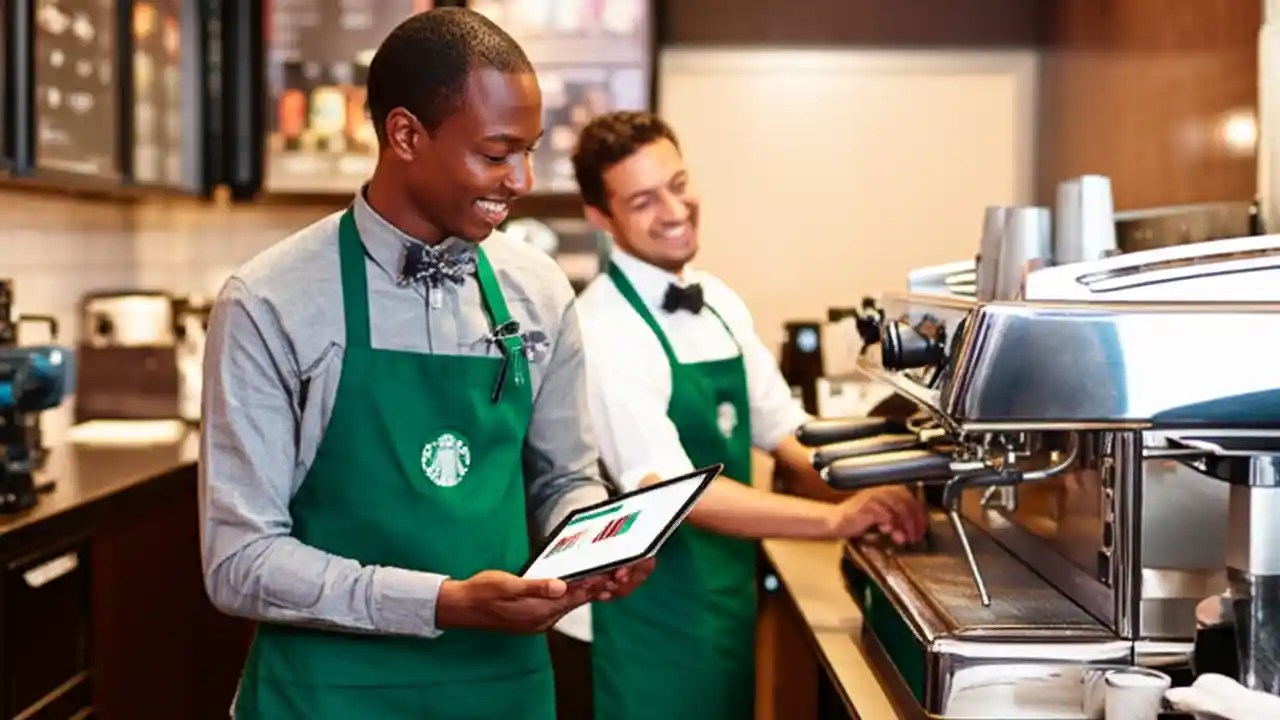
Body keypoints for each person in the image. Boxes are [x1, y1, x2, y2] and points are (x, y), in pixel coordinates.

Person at [197, 10, 652, 719]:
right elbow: (239, 563)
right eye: (496, 154)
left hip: (500, 690)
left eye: (528, 151)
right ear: (405, 134)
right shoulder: (271, 300)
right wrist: (445, 602)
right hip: (326, 695)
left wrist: (593, 540)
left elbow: (564, 477)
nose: (521, 179)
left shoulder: (538, 291)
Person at [553, 110, 930, 720]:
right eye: (644, 200)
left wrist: (875, 490)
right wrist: (837, 521)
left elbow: (785, 432)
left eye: (678, 184)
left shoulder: (718, 301)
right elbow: (677, 495)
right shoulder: (604, 332)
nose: (674, 211)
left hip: (722, 605)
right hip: (640, 624)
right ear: (601, 216)